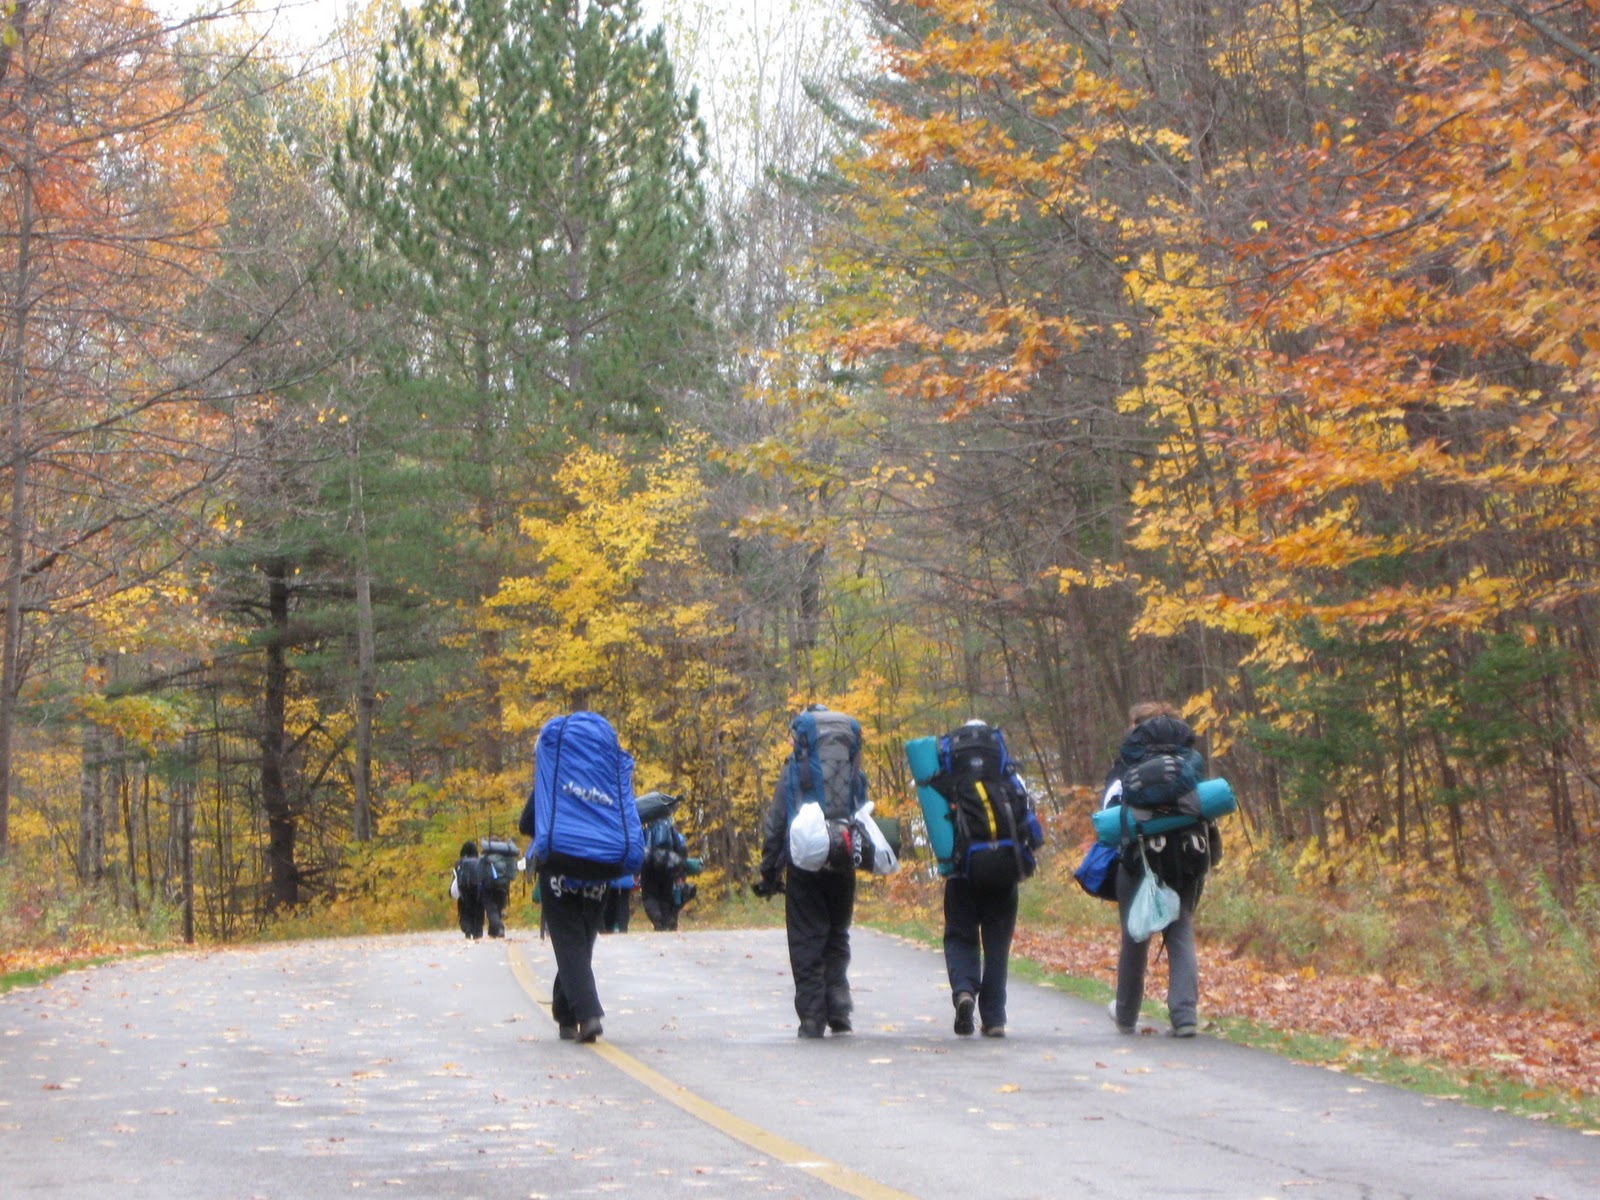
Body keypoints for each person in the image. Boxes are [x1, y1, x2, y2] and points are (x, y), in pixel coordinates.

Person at [519, 711, 644, 1044]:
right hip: (601, 868)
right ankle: (564, 1015)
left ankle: (588, 1016)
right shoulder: (606, 777)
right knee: (580, 942)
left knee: (569, 942)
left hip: (559, 866)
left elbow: (526, 823)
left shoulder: (554, 785)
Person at [755, 704, 869, 1038]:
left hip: (804, 862)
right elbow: (863, 814)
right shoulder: (851, 771)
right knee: (837, 933)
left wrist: (768, 871)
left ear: (802, 740)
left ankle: (811, 1018)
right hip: (843, 856)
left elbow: (776, 823)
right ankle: (840, 1008)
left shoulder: (794, 770)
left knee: (807, 939)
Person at [1103, 701, 1214, 1038]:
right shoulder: (1189, 761)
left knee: (1136, 935)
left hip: (1140, 859)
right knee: (1180, 933)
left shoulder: (1127, 761)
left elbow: (1109, 809)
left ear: (1137, 725)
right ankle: (1184, 1018)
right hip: (1187, 857)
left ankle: (1125, 1015)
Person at [927, 720, 1043, 1039]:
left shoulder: (946, 778)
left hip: (963, 870)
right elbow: (1030, 824)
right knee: (997, 945)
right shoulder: (1007, 776)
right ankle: (994, 1019)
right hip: (1004, 869)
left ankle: (964, 991)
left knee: (960, 935)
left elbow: (936, 825)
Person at [640, 812, 691, 931]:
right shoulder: (674, 833)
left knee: (649, 896)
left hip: (649, 868)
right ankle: (668, 922)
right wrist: (680, 874)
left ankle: (657, 920)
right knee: (666, 896)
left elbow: (639, 850)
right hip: (669, 868)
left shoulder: (646, 832)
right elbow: (682, 853)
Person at [478, 836, 522, 938]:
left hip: (488, 886)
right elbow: (512, 875)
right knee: (498, 909)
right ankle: (493, 932)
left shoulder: (485, 857)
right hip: (503, 886)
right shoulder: (507, 857)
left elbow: (480, 873)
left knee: (491, 909)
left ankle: (499, 928)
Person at [450, 841, 484, 940]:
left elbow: (456, 878)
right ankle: (477, 931)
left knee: (465, 909)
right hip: (478, 889)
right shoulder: (480, 861)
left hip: (464, 890)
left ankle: (467, 928)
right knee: (478, 909)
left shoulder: (459, 863)